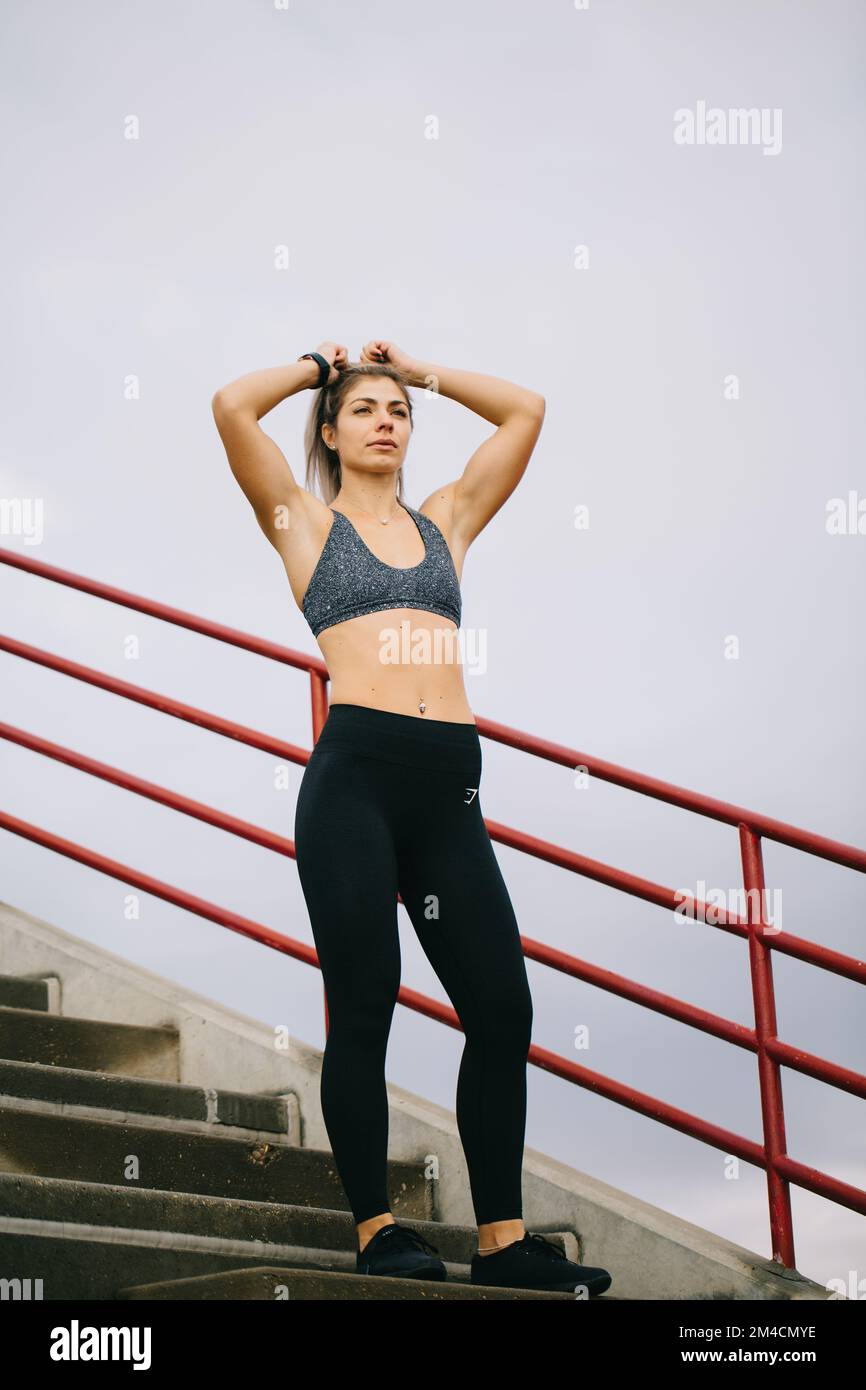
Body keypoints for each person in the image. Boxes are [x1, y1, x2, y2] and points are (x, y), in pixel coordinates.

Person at [211, 340, 612, 1296]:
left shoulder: (446, 523)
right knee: (366, 1002)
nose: (388, 420)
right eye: (367, 410)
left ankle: (504, 1243)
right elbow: (232, 405)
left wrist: (422, 368)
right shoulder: (302, 522)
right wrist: (319, 366)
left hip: (449, 793)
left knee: (503, 1009)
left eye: (400, 410)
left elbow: (526, 409)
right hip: (354, 786)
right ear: (331, 431)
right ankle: (378, 1228)